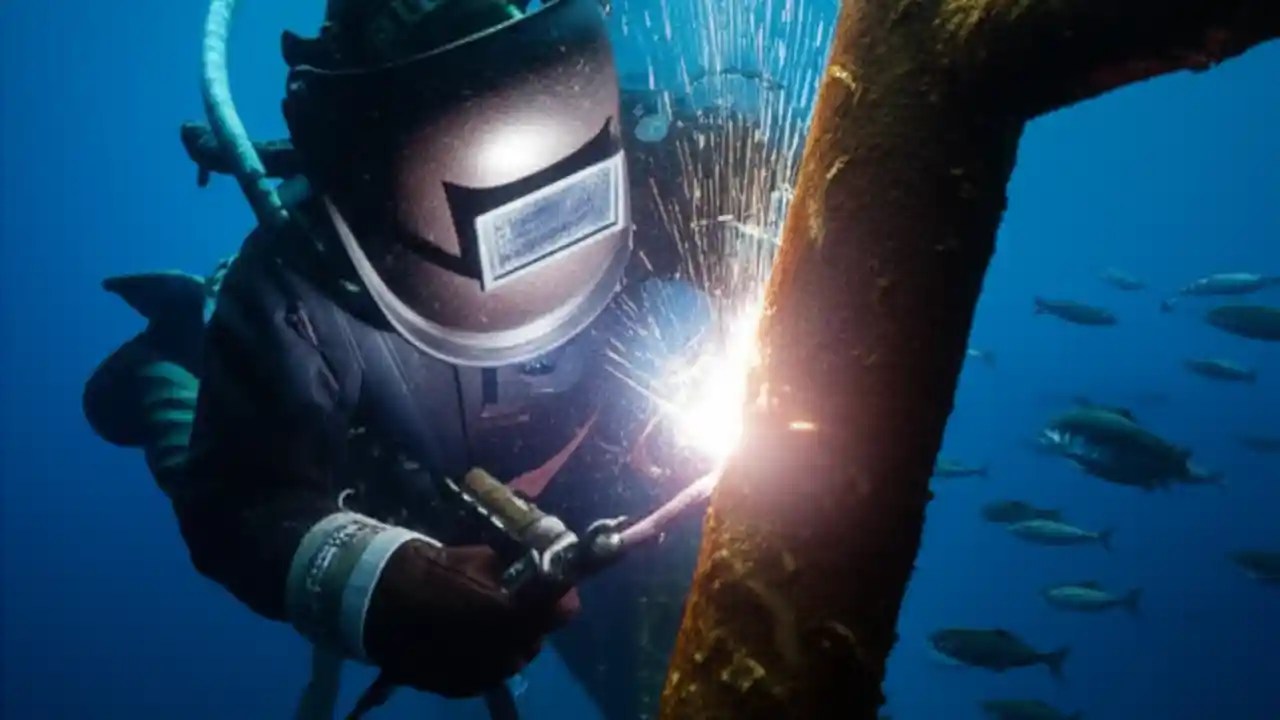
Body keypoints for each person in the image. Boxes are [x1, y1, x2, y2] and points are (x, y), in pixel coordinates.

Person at [86, 0, 729, 716]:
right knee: (186, 426)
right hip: (410, 506)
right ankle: (175, 347)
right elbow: (237, 502)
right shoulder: (303, 285)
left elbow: (766, 208)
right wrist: (382, 585)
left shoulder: (656, 157)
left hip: (599, 497)